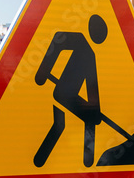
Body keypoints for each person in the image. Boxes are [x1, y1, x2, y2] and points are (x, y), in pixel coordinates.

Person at [32, 14, 108, 168]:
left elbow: (92, 86)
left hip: (67, 95)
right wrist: (42, 72)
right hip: (64, 93)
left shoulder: (90, 54)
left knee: (61, 124)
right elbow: (57, 40)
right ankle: (88, 159)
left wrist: (96, 109)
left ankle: (86, 159)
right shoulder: (79, 41)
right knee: (75, 121)